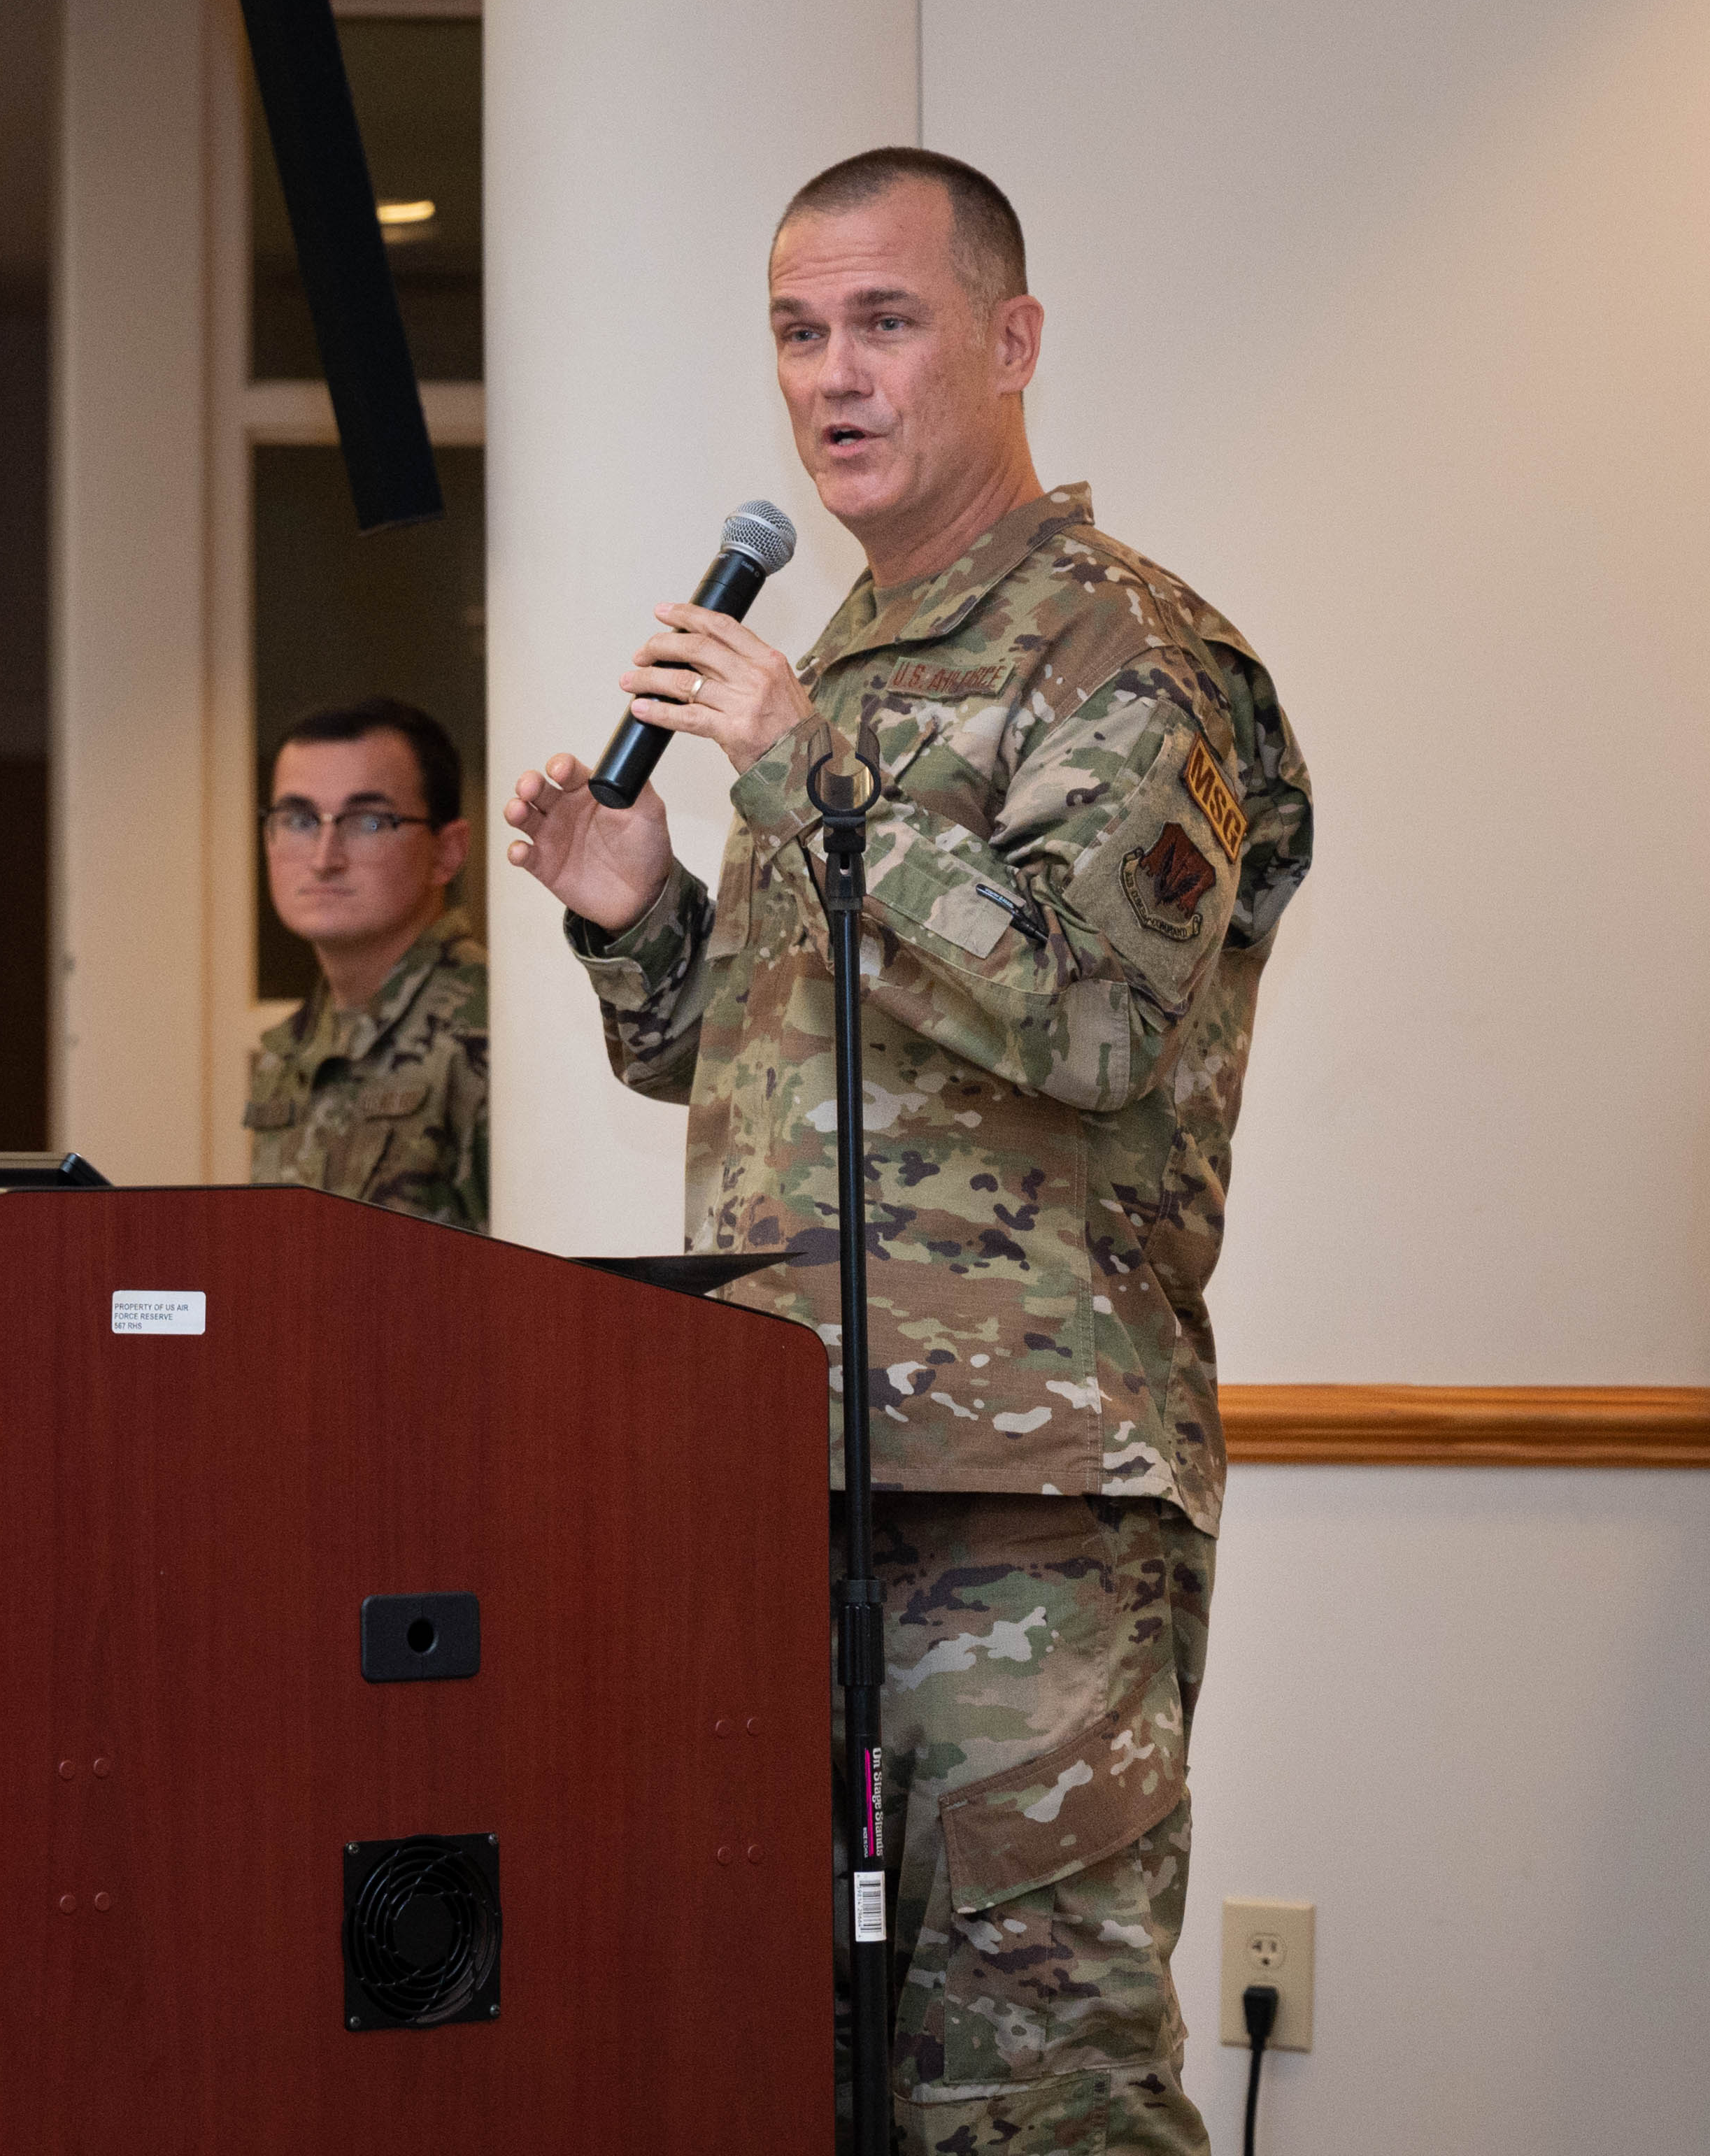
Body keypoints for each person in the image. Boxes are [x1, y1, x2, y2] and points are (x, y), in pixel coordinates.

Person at [503, 149, 1312, 2153]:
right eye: (797, 332)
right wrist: (641, 913)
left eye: (886, 322)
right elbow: (774, 1070)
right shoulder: (846, 664)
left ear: (1012, 342)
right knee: (802, 2074)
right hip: (787, 1481)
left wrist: (804, 778)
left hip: (1027, 1507)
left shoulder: (1124, 652)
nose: (832, 378)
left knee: (1030, 2099)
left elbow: (1098, 1023)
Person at [245, 698, 490, 1232]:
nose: (323, 857)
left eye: (368, 822)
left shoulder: (491, 1033)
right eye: (299, 820)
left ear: (448, 852)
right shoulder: (287, 1053)